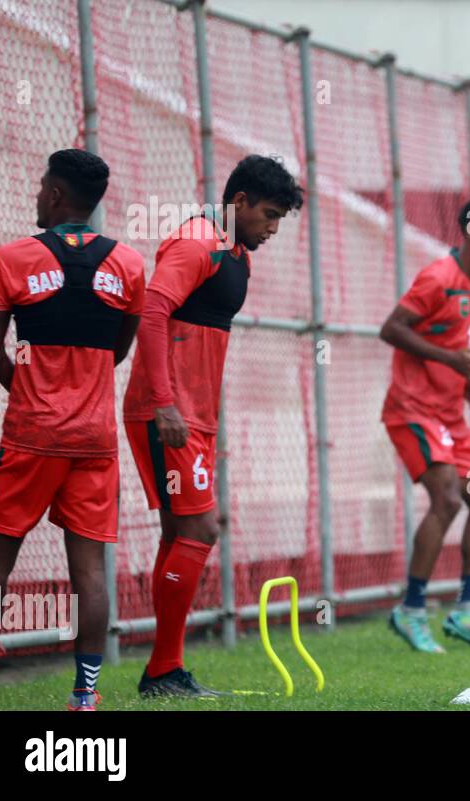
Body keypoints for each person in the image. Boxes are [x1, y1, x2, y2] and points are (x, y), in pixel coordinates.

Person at [124, 154, 303, 698]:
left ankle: (165, 672)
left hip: (192, 418)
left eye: (280, 220)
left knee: (180, 535)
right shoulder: (197, 242)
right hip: (168, 416)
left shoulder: (235, 254)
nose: (272, 228)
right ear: (239, 201)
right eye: (268, 215)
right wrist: (165, 404)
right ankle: (162, 670)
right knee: (201, 532)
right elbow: (153, 312)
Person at [0, 149, 146, 710]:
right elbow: (120, 349)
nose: (35, 194)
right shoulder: (128, 265)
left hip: (30, 437)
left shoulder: (13, 258)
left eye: (40, 186)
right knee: (90, 571)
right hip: (95, 442)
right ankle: (85, 698)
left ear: (54, 195)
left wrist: (27, 393)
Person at [381, 197, 470, 652]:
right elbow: (392, 329)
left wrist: (464, 381)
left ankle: (467, 612)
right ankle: (411, 609)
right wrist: (450, 360)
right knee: (448, 498)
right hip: (413, 410)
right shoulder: (438, 276)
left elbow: (454, 340)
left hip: (451, 415)